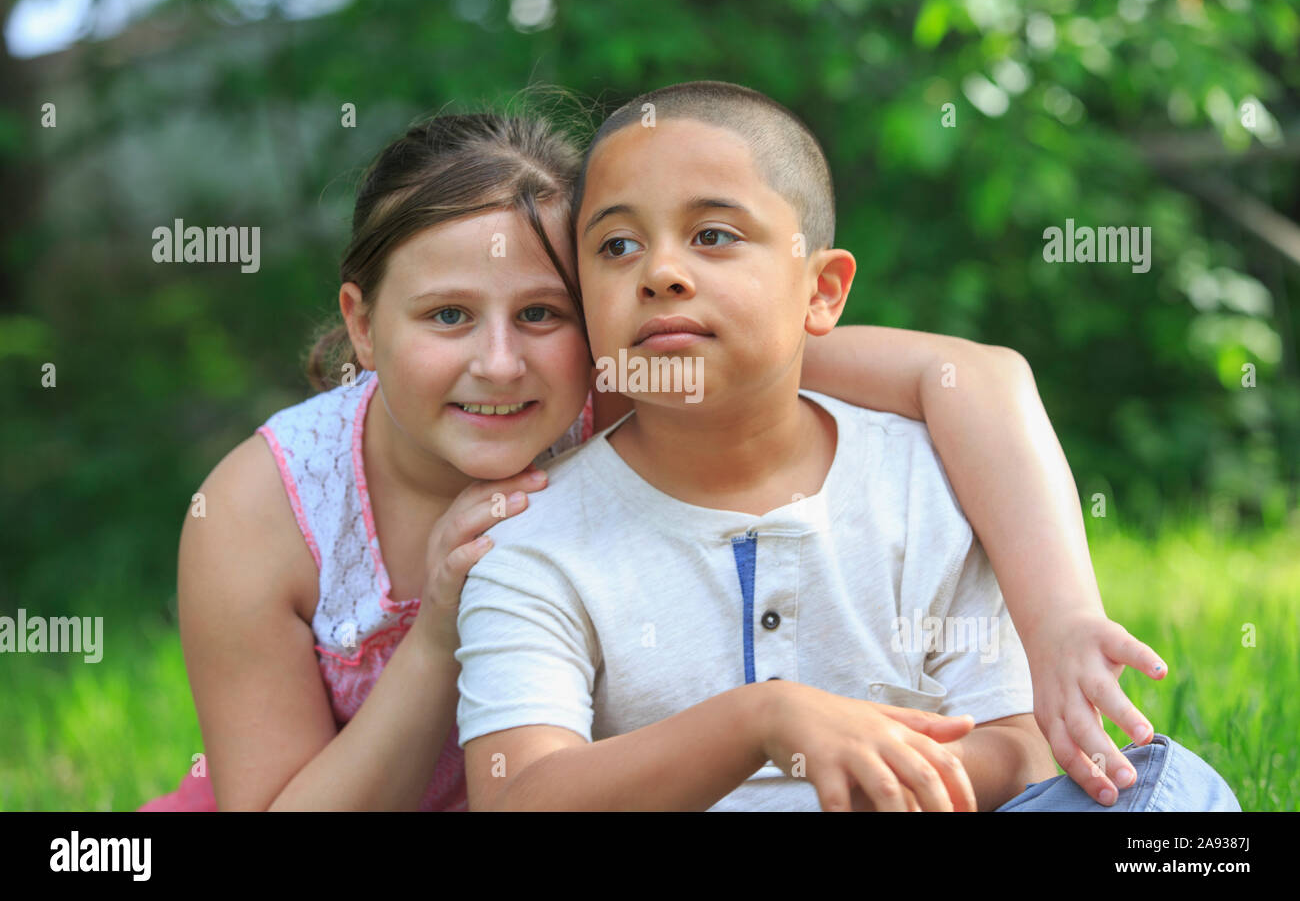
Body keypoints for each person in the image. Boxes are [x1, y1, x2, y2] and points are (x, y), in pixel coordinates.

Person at [140, 97, 1165, 812]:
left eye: (542, 312)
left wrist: (1061, 616)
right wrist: (438, 632)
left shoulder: (641, 374)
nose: (499, 363)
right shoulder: (261, 509)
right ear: (361, 325)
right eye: (447, 314)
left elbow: (973, 379)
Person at [453, 81, 1241, 811]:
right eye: (617, 247)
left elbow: (1024, 748)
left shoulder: (926, 478)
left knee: (1165, 793)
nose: (660, 271)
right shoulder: (533, 537)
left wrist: (870, 773)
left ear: (822, 290)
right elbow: (518, 795)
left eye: (714, 235)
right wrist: (766, 720)